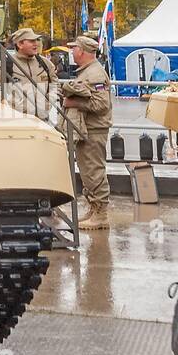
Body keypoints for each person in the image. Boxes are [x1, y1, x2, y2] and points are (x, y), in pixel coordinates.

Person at [62, 34, 113, 230]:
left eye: (74, 48)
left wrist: (73, 102)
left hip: (94, 128)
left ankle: (100, 214)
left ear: (82, 51)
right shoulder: (87, 72)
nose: (72, 52)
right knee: (87, 170)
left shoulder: (95, 73)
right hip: (86, 128)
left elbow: (101, 104)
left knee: (94, 170)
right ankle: (94, 209)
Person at [0, 27, 57, 120]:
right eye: (31, 41)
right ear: (20, 44)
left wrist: (49, 102)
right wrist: (7, 104)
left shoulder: (46, 64)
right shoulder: (6, 65)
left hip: (42, 121)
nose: (36, 44)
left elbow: (54, 85)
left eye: (36, 40)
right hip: (16, 122)